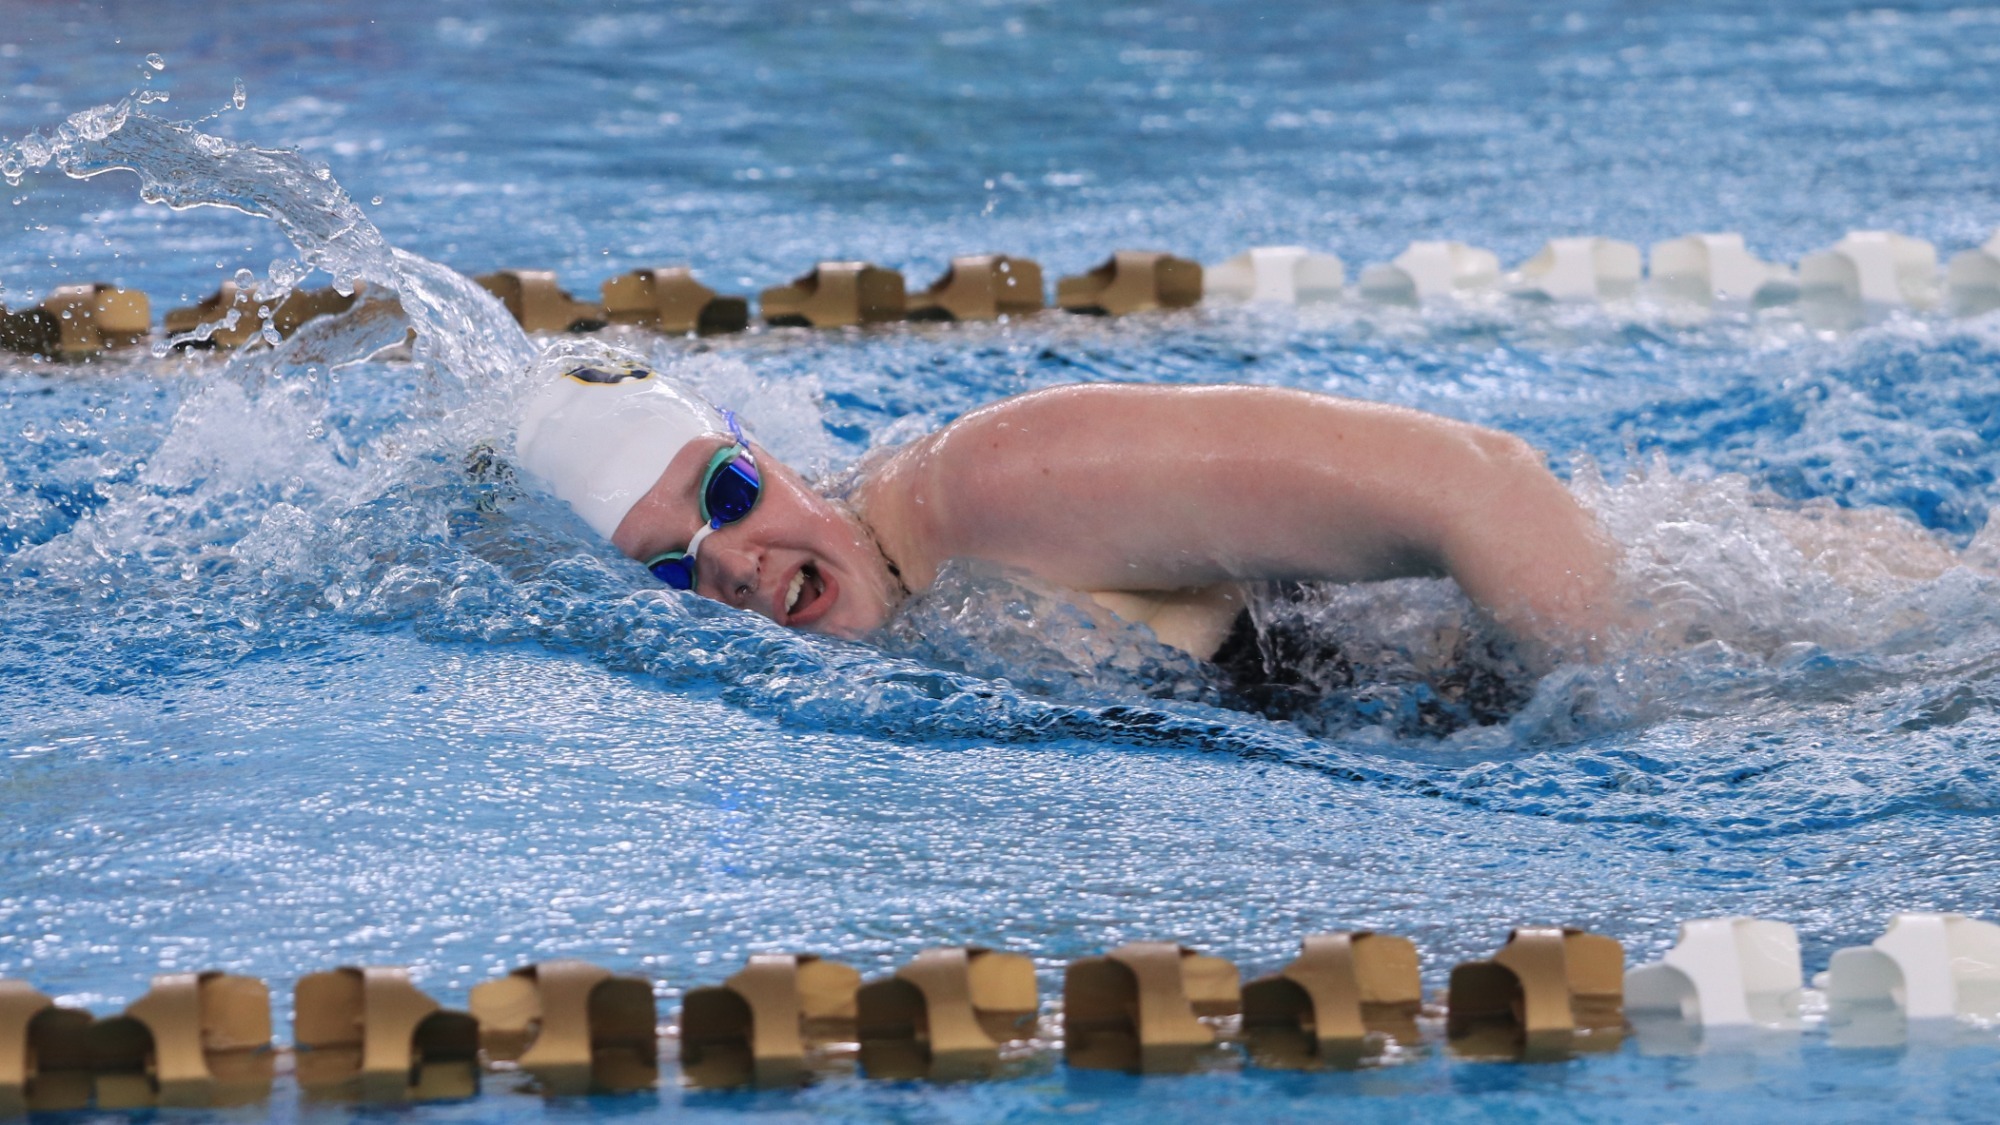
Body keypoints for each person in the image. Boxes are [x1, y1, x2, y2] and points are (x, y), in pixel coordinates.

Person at [514, 355, 1622, 671]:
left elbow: (1486, 484)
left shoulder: (999, 484)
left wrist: (1620, 719)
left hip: (1647, 632)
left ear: (772, 456)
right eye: (672, 569)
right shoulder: (901, 633)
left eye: (727, 493)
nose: (733, 563)